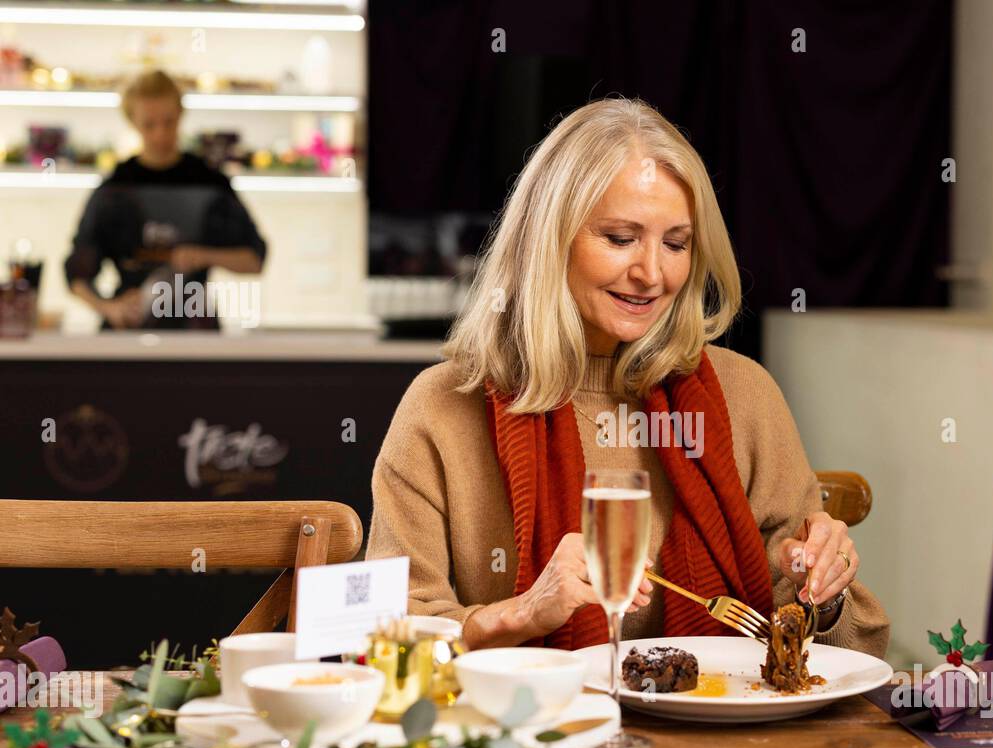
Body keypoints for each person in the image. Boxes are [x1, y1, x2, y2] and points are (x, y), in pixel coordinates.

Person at [366, 97, 888, 657]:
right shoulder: (442, 407)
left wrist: (822, 592)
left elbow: (853, 647)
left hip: (720, 737)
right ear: (549, 241)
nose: (651, 273)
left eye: (676, 244)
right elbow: (386, 639)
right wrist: (518, 614)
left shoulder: (745, 395)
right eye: (619, 238)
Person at [64, 70, 266, 330]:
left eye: (168, 122)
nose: (160, 134)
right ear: (133, 122)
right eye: (149, 124)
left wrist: (206, 255)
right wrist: (109, 307)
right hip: (129, 330)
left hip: (195, 330)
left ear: (181, 115)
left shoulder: (210, 183)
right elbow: (76, 273)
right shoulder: (115, 188)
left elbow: (255, 259)